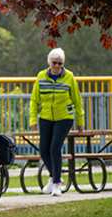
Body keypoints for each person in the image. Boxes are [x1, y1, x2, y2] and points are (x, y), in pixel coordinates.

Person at [29, 48, 85, 197]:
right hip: (46, 116)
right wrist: (33, 119)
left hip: (64, 117)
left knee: (55, 148)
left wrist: (80, 122)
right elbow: (34, 100)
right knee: (43, 149)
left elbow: (77, 101)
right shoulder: (41, 76)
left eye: (60, 63)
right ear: (49, 62)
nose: (57, 66)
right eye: (54, 63)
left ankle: (56, 184)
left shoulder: (69, 77)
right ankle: (55, 176)